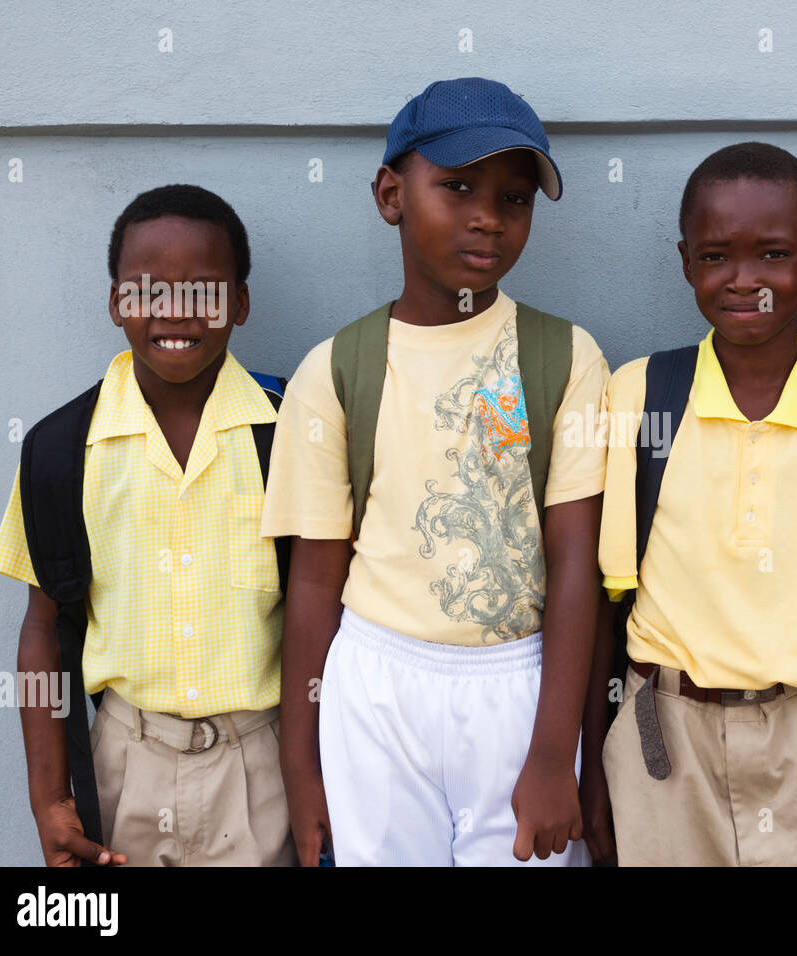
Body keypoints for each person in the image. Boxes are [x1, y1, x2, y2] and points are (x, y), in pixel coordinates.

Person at [261, 77, 609, 866]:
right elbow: (313, 582)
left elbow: (574, 565)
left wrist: (557, 756)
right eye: (456, 187)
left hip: (520, 685)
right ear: (391, 193)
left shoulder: (564, 358)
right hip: (377, 682)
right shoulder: (337, 370)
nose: (488, 215)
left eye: (515, 198)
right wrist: (301, 769)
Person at [586, 142, 797, 866]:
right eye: (716, 257)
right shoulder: (638, 397)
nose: (746, 281)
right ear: (685, 261)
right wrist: (588, 773)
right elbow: (602, 605)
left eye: (773, 254)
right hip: (663, 742)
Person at [0, 184, 295, 866]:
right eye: (146, 289)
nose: (174, 311)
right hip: (123, 766)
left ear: (240, 304)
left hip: (263, 767)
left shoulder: (291, 437)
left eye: (204, 290)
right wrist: (50, 799)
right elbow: (42, 626)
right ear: (116, 302)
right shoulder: (61, 450)